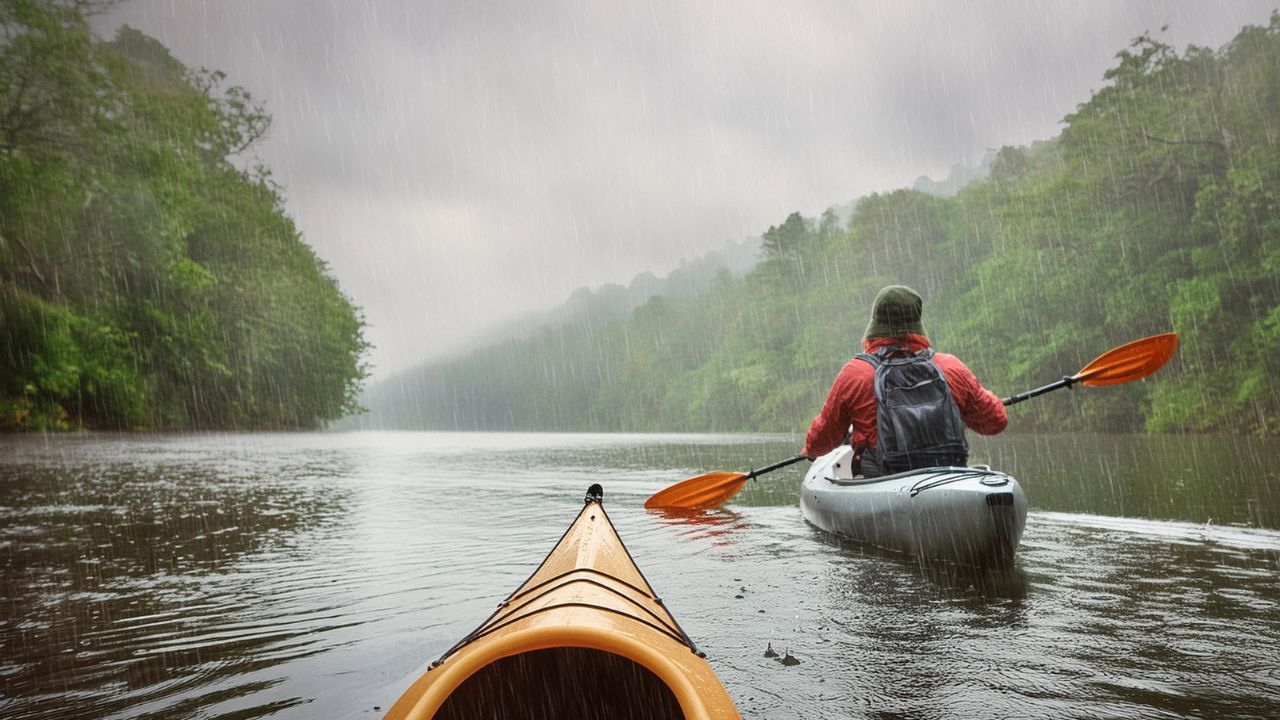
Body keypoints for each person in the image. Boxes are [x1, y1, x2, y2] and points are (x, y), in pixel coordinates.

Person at [801, 285, 1007, 476]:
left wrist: (810, 450)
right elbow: (995, 421)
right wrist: (963, 411)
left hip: (884, 481)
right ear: (917, 326)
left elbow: (821, 439)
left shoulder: (856, 374)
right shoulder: (950, 367)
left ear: (876, 326)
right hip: (945, 475)